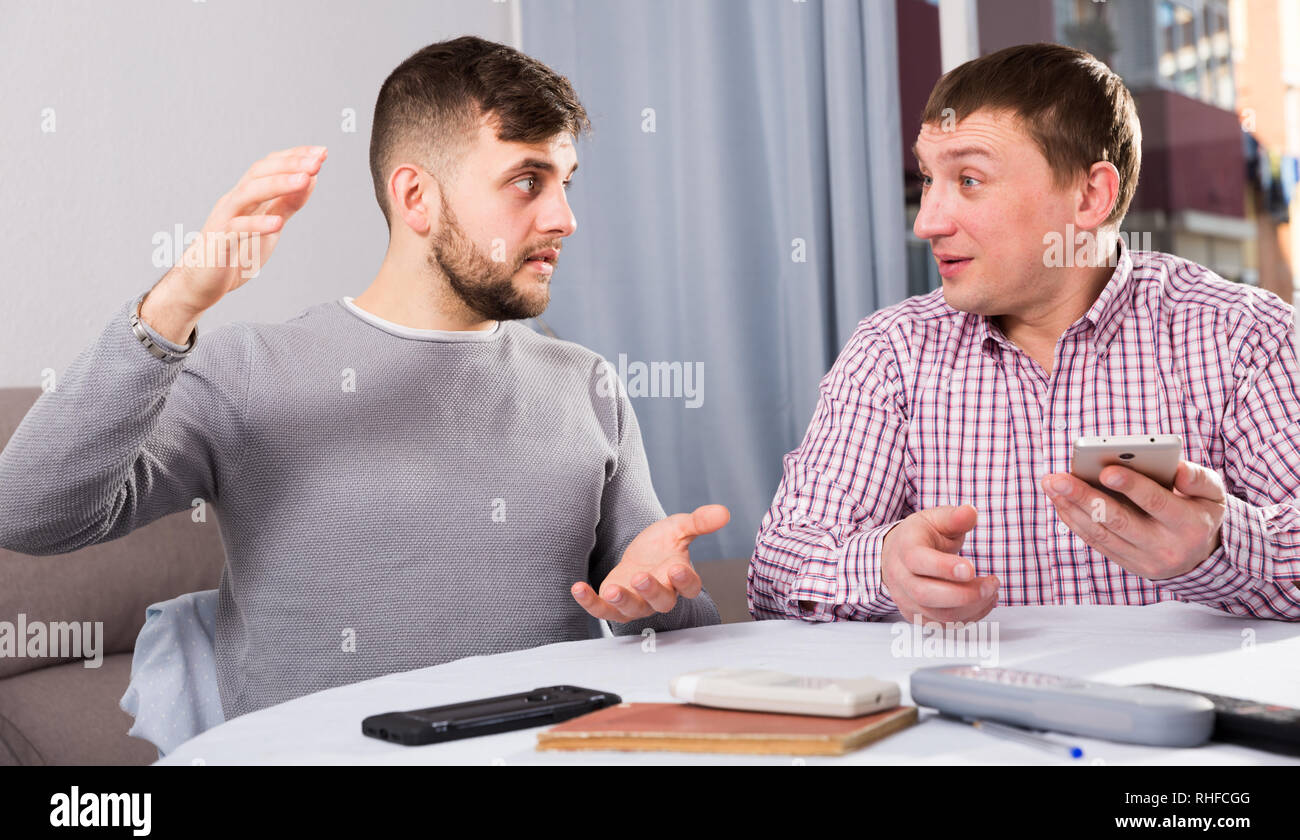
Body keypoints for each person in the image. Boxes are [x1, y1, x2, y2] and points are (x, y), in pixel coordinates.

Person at [0, 36, 727, 720]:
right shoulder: (247, 370)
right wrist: (175, 303)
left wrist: (658, 596)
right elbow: (27, 514)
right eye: (527, 181)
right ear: (417, 197)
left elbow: (667, 619)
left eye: (565, 182)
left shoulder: (586, 385)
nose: (564, 217)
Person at [748, 43, 1300, 625]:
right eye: (928, 178)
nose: (926, 221)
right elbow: (776, 571)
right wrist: (883, 565)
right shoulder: (891, 354)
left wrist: (1219, 548)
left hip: (1189, 710)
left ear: (1091, 196)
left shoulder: (1243, 336)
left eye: (968, 179)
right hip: (962, 712)